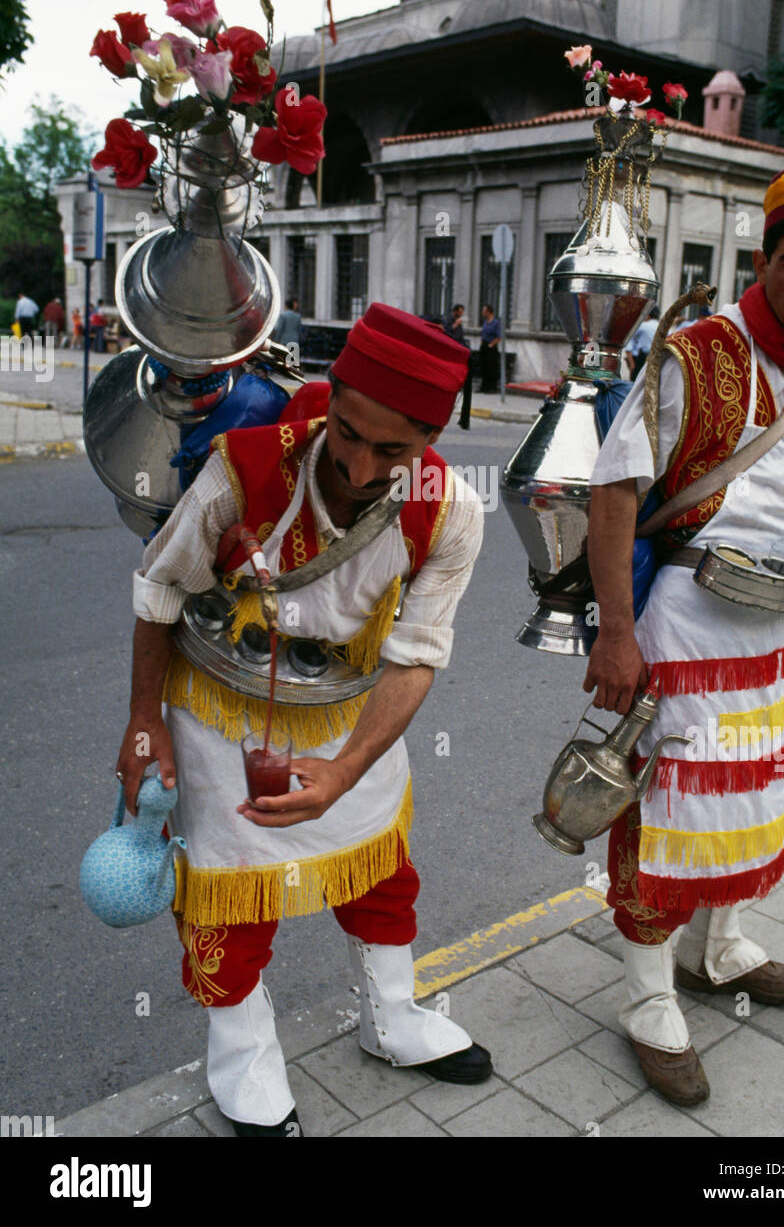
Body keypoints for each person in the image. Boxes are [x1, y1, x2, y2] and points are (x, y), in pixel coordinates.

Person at [114, 302, 492, 1136]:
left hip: (345, 719)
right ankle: (244, 1060)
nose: (357, 467)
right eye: (347, 431)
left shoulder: (451, 511)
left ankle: (392, 1020)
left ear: (432, 437)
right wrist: (145, 718)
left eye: (391, 450)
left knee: (381, 872)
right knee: (228, 895)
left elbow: (418, 652)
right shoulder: (241, 469)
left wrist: (348, 768)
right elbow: (158, 588)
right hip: (218, 715)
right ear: (334, 393)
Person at [583, 160, 784, 1106]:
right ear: (763, 259)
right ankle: (647, 997)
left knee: (752, 801)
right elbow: (616, 489)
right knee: (661, 813)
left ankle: (722, 949)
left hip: (774, 638)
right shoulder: (696, 355)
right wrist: (616, 633)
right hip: (683, 635)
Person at [443, 303, 472, 429]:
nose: (461, 314)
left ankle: (464, 420)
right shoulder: (449, 321)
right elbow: (448, 335)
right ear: (455, 311)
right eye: (460, 312)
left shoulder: (457, 321)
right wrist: (455, 326)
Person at [626, 306, 660, 382]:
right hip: (658, 359)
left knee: (636, 383)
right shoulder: (664, 327)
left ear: (647, 315)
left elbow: (629, 345)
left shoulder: (642, 326)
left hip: (641, 359)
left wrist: (631, 364)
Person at [479, 303, 502, 393]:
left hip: (491, 346)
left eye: (484, 311)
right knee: (483, 367)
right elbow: (483, 334)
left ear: (488, 312)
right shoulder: (485, 322)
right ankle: (483, 387)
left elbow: (499, 337)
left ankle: (491, 387)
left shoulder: (496, 323)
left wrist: (491, 345)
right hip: (484, 345)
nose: (482, 312)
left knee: (491, 367)